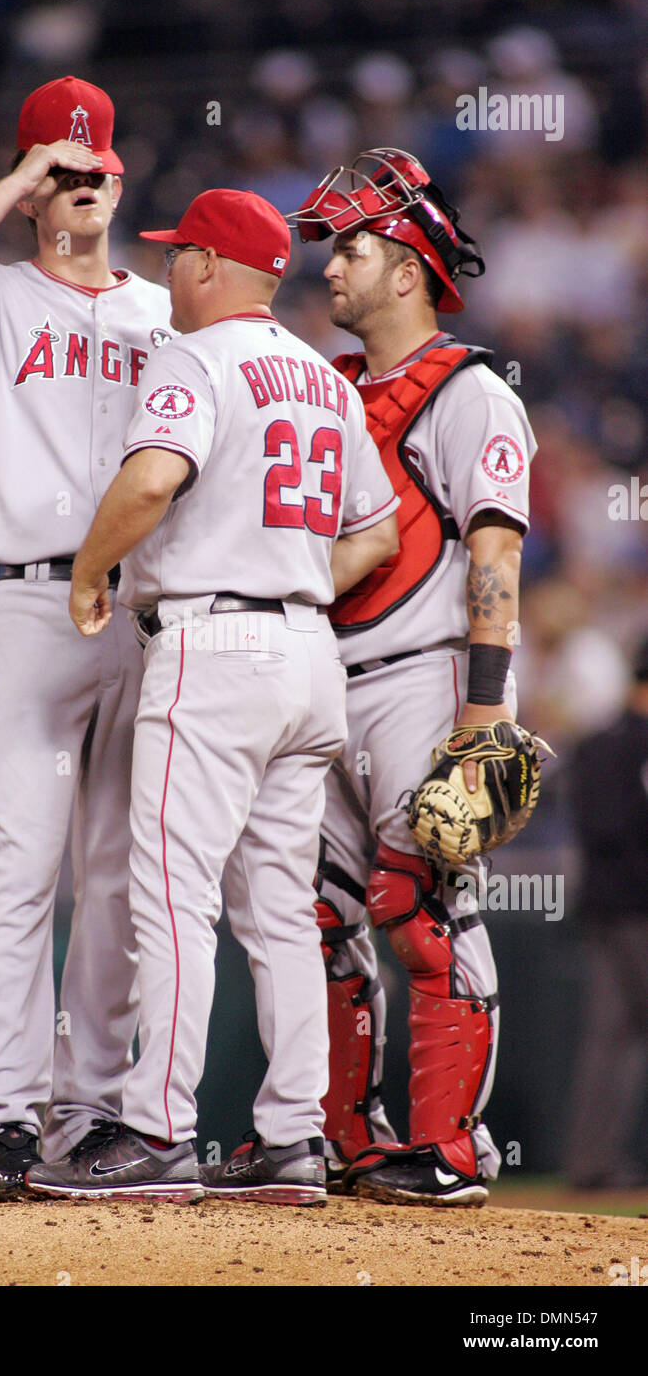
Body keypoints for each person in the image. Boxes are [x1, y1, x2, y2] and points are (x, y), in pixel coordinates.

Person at [25, 188, 399, 1205]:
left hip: (213, 648)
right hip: (306, 654)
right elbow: (377, 532)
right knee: (278, 908)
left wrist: (91, 570)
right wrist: (291, 562)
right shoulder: (323, 379)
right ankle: (290, 1142)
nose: (169, 270)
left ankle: (154, 1131)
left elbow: (151, 481)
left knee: (174, 898)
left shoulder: (193, 358)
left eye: (178, 253)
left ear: (203, 263)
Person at [0, 76, 173, 1199]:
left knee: (113, 873)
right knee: (21, 867)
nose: (84, 184)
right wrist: (16, 175)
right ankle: (4, 1113)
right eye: (62, 171)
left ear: (117, 177)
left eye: (95, 167)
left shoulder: (160, 312)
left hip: (143, 609)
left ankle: (93, 1108)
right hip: (27, 600)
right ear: (28, 190)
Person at [288, 148, 537, 1206]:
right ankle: (353, 1143)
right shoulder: (328, 389)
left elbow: (495, 557)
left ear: (408, 268)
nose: (330, 263)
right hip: (320, 679)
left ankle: (449, 1147)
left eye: (351, 243)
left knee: (419, 907)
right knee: (320, 917)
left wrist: (482, 713)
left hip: (423, 676)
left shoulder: (470, 391)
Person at [562, 635, 648, 1190]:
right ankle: (593, 1162)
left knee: (611, 1035)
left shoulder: (595, 741)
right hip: (638, 909)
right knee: (616, 1035)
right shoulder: (635, 742)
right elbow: (616, 828)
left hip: (602, 906)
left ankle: (590, 1162)